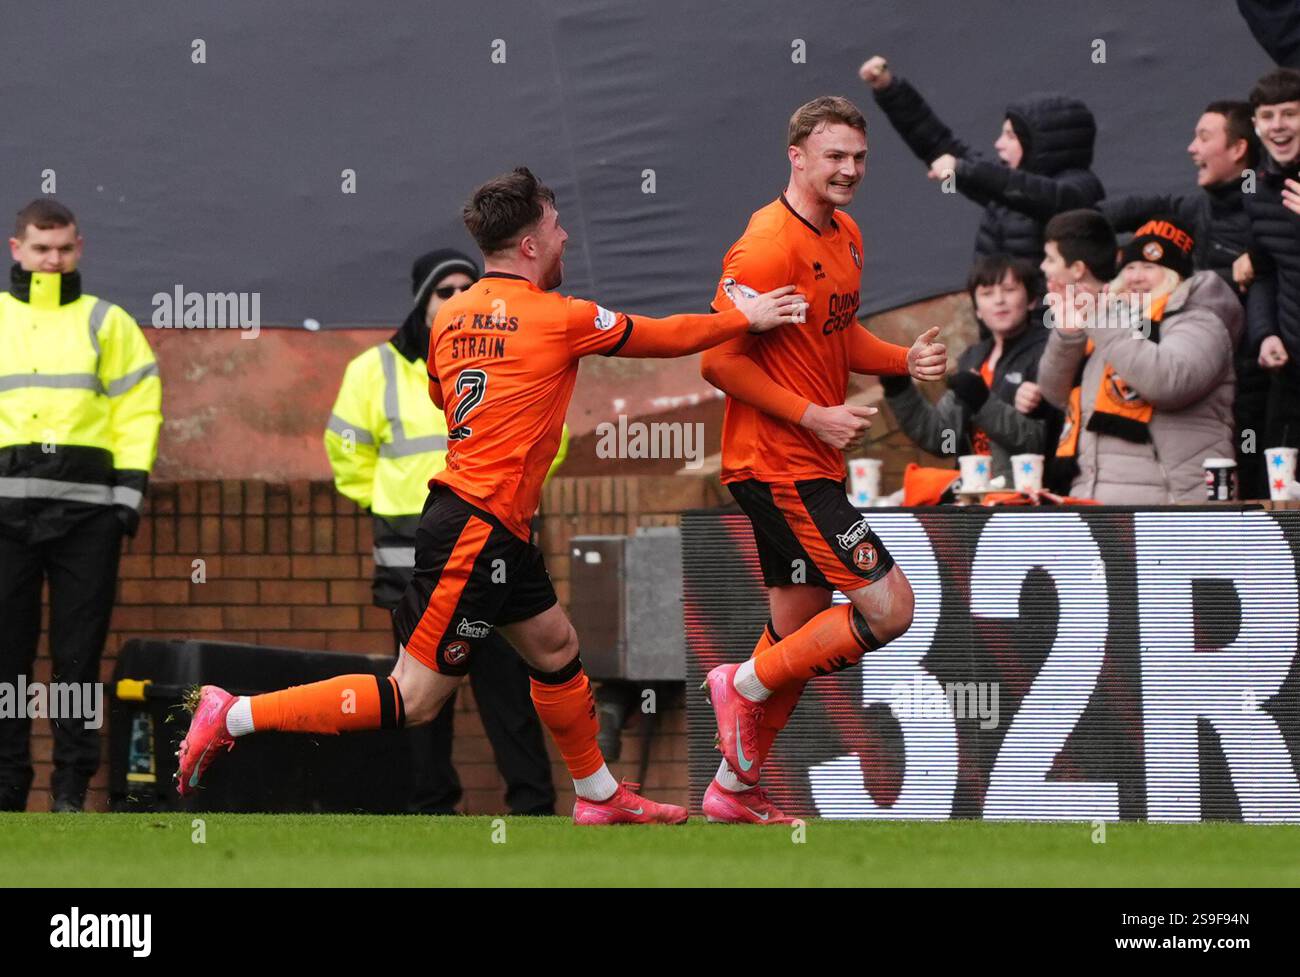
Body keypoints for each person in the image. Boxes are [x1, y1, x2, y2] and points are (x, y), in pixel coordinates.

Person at [177, 166, 807, 825]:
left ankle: (597, 795)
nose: (565, 238)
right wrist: (744, 317)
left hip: (491, 525)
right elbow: (664, 336)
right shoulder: (560, 316)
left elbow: (443, 398)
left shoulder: (450, 319)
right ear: (530, 244)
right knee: (413, 696)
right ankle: (234, 713)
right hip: (475, 528)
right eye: (557, 227)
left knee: (556, 646)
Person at [698, 96, 948, 822]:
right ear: (796, 156)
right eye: (834, 156)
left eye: (859, 158)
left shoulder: (846, 233)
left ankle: (731, 789)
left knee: (799, 632)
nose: (849, 170)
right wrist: (815, 414)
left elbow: (836, 339)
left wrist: (904, 358)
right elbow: (717, 361)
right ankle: (739, 683)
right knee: (890, 607)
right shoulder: (765, 245)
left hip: (807, 462)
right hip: (777, 463)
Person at [325, 248, 556, 816]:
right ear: (421, 300)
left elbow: (552, 434)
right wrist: (390, 503)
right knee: (421, 694)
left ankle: (532, 807)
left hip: (493, 546)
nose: (456, 300)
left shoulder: (506, 353)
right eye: (444, 291)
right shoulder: (372, 370)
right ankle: (431, 807)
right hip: (412, 555)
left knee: (510, 690)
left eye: (465, 288)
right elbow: (345, 454)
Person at [0, 199, 162, 812]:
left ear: (79, 247)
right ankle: (7, 792)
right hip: (4, 516)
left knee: (76, 661)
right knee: (5, 663)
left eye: (64, 248)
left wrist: (127, 496)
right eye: (42, 249)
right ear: (16, 250)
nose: (53, 260)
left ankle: (70, 790)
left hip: (88, 517)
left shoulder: (107, 323)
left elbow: (139, 408)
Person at [1096, 101, 1261, 494]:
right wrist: (1085, 226)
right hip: (1205, 386)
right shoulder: (1197, 206)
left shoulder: (1268, 208)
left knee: (1256, 494)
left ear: (1238, 149)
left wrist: (1260, 262)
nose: (1191, 148)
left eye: (1203, 138)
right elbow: (1139, 208)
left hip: (1259, 377)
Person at [1036, 211, 1242, 503]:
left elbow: (1168, 383)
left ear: (1175, 276)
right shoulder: (1115, 323)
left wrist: (1101, 320)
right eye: (1130, 266)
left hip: (1172, 508)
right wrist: (1068, 334)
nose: (1135, 277)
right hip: (1093, 500)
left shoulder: (1201, 320)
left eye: (1148, 267)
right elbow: (1055, 394)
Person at [859, 55, 1104, 262]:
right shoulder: (1004, 187)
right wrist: (889, 89)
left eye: (1011, 136)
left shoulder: (1081, 189)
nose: (999, 144)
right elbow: (938, 144)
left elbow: (1048, 198)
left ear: (1039, 144)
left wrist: (965, 170)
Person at [882, 254, 1057, 481]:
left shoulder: (1048, 353)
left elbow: (1041, 443)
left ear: (1032, 300)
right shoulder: (973, 358)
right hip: (973, 495)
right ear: (977, 309)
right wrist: (898, 387)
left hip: (1022, 498)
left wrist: (983, 402)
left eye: (1009, 289)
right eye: (987, 293)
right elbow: (944, 440)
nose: (999, 300)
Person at [1241, 68, 1300, 467]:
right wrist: (1266, 334)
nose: (1278, 126)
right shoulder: (1255, 187)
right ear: (1255, 125)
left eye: (1290, 114)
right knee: (1282, 506)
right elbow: (1264, 271)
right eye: (1267, 116)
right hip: (1291, 374)